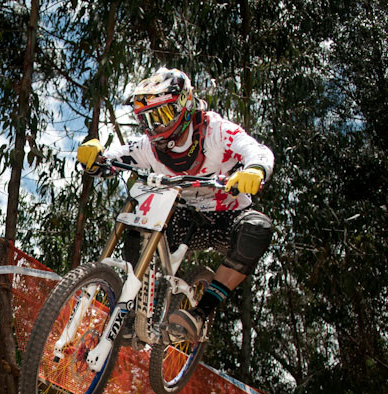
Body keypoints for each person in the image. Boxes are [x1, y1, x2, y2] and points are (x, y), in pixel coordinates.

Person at [76, 67, 274, 343]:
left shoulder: (215, 131)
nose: (154, 127)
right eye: (146, 120)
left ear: (184, 104)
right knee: (137, 224)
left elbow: (255, 149)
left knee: (256, 229)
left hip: (225, 216)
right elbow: (112, 159)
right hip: (182, 217)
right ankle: (134, 313)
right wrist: (93, 157)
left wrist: (255, 169)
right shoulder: (147, 146)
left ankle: (201, 312)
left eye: (161, 115)